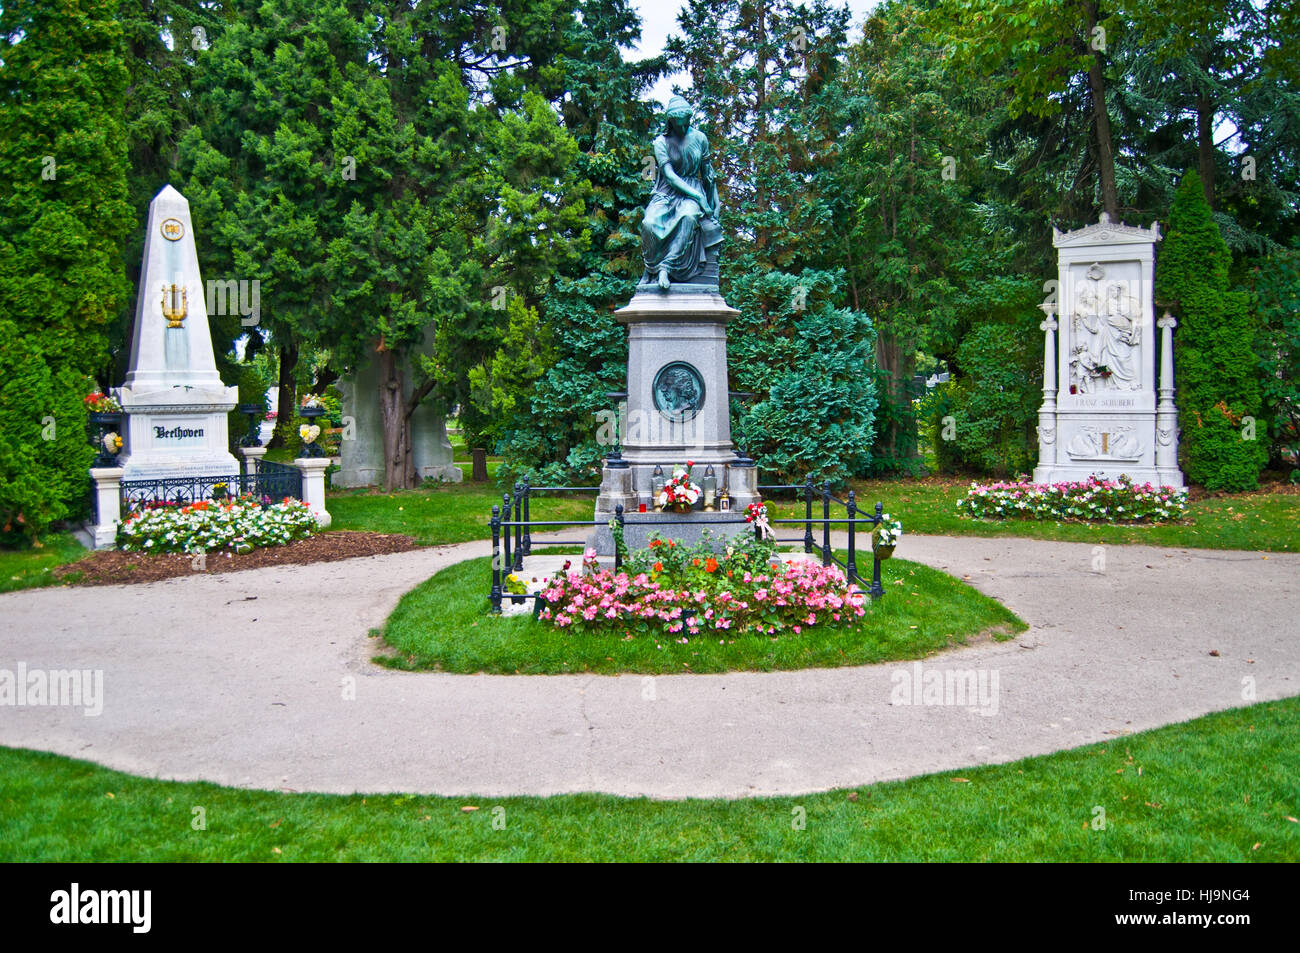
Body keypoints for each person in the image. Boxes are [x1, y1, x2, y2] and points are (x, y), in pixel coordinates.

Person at [641, 96, 722, 289]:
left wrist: (715, 204)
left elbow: (708, 174)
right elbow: (669, 175)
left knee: (688, 216)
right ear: (670, 122)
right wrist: (699, 197)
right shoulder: (660, 142)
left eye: (686, 122)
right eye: (679, 124)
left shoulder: (700, 138)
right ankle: (652, 268)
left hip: (692, 191)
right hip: (667, 192)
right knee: (649, 223)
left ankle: (666, 268)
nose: (683, 128)